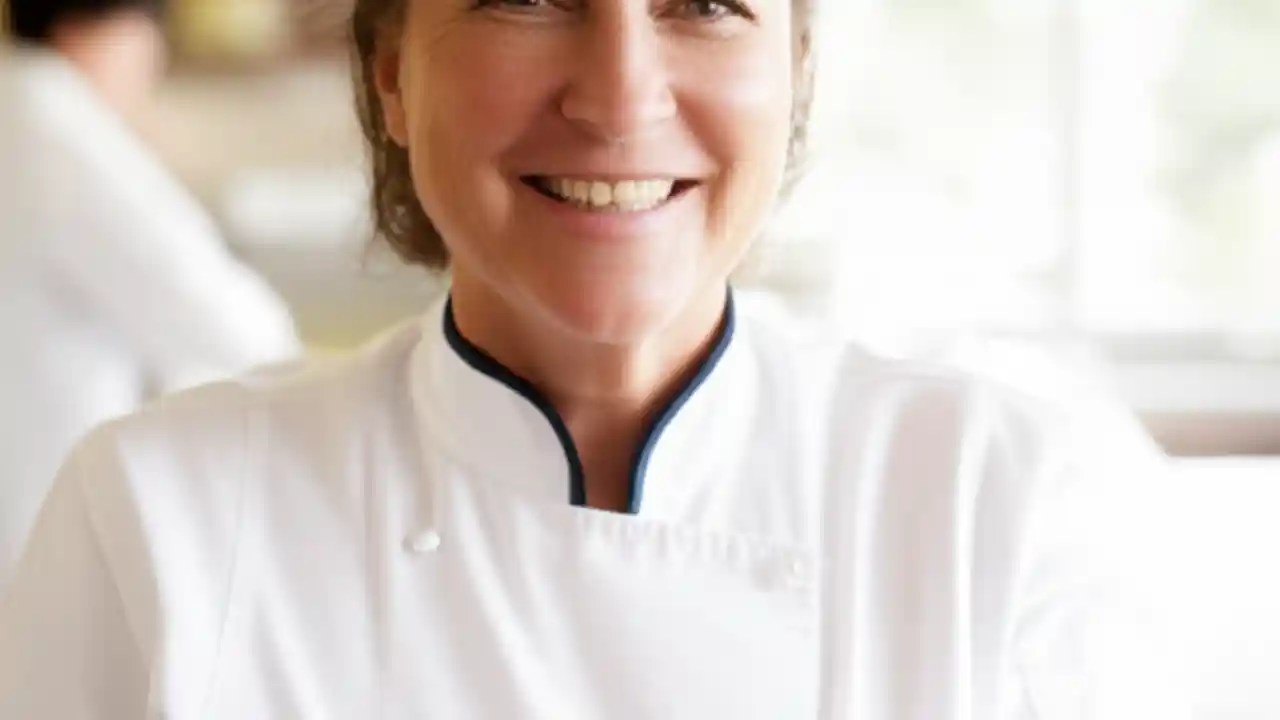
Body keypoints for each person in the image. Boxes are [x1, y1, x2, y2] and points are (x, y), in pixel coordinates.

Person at [0, 0, 1179, 717]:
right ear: (391, 72)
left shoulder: (1005, 507)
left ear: (799, 68)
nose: (619, 97)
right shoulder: (159, 523)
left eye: (706, 1)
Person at [0, 0, 300, 586]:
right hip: (39, 532)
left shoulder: (18, 105)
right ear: (114, 28)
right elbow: (239, 328)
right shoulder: (50, 118)